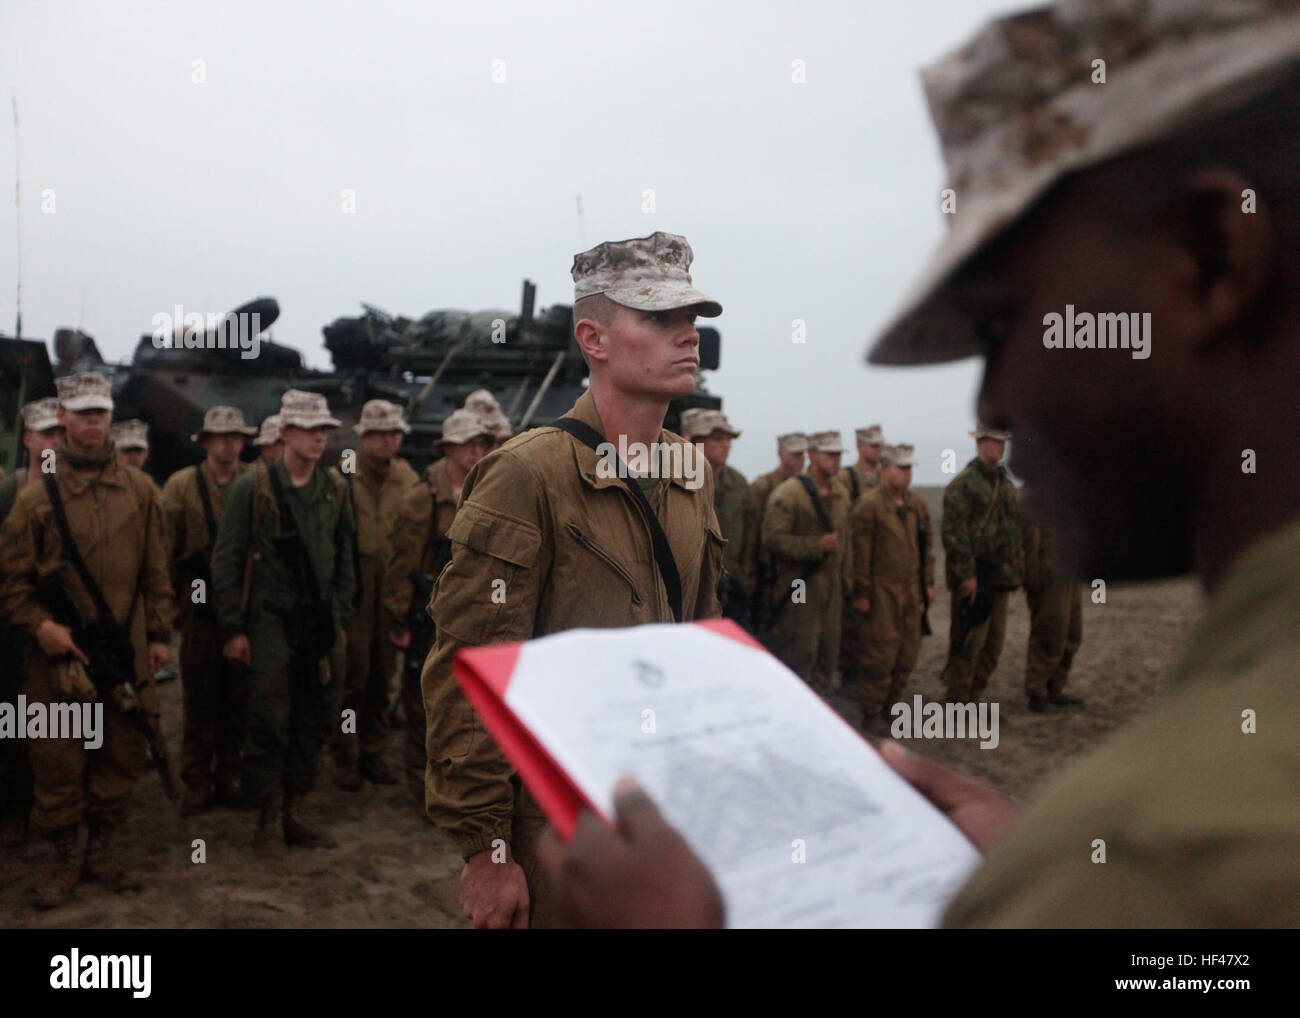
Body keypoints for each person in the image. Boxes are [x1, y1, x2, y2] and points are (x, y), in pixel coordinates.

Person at [539, 0, 1300, 928]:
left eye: (1002, 321)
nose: (990, 405)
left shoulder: (1170, 853)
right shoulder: (1164, 842)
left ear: (1213, 258)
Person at [421, 231, 724, 929]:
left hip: (662, 805)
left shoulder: (689, 469)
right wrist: (487, 851)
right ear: (595, 337)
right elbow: (470, 669)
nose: (689, 336)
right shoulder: (527, 474)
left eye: (693, 320)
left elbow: (700, 641)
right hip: (554, 823)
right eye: (660, 318)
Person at [0, 372, 173, 909]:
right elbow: (10, 584)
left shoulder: (142, 491)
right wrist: (40, 627)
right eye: (82, 414)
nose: (93, 422)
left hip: (124, 649)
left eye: (101, 412)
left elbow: (157, 573)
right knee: (58, 758)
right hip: (59, 659)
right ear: (64, 420)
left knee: (120, 753)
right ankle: (61, 859)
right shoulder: (35, 500)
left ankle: (102, 848)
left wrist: (161, 634)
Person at [210, 389, 356, 848]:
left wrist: (340, 616)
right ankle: (267, 813)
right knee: (270, 717)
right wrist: (233, 627)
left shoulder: (335, 488)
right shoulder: (252, 488)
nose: (319, 439)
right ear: (287, 433)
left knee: (316, 714)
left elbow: (345, 559)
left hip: (319, 622)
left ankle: (294, 806)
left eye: (324, 431)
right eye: (310, 430)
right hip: (270, 620)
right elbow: (226, 561)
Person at [384, 408, 493, 805]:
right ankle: (422, 786)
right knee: (423, 702)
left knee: (467, 705)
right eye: (468, 444)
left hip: (475, 611)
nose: (476, 451)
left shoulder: (489, 489)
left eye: (481, 443)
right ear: (448, 448)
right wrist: (398, 617)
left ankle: (460, 783)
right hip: (429, 614)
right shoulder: (422, 499)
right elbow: (402, 563)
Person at [161, 405, 258, 815]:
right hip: (197, 605)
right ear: (205, 442)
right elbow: (165, 550)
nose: (228, 443)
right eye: (219, 436)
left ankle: (229, 775)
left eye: (235, 436)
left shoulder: (256, 483)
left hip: (244, 604)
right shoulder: (181, 486)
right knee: (199, 699)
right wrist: (168, 606)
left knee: (239, 699)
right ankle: (197, 781)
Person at [329, 399, 418, 790]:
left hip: (393, 584)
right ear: (364, 436)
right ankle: (344, 755)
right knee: (353, 677)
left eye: (394, 433)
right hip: (355, 585)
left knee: (384, 676)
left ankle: (373, 751)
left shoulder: (408, 479)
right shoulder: (343, 474)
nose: (387, 440)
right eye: (379, 434)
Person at [0, 398, 64, 848]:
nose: (54, 442)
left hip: (56, 624)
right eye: (45, 434)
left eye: (60, 433)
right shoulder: (9, 492)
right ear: (28, 439)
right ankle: (13, 808)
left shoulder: (72, 492)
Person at [846, 444, 934, 727]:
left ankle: (890, 706)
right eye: (901, 468)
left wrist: (927, 584)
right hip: (880, 591)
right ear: (884, 470)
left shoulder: (916, 505)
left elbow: (926, 548)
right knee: (879, 653)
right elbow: (859, 554)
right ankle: (871, 712)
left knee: (908, 652)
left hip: (910, 590)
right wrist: (862, 593)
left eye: (909, 469)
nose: (906, 475)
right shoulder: (869, 506)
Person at [761, 430, 853, 694]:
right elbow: (772, 539)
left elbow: (846, 542)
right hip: (800, 585)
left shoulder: (841, 493)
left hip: (832, 587)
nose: (835, 460)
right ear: (812, 455)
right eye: (829, 454)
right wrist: (816, 546)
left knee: (829, 653)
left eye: (838, 455)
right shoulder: (789, 494)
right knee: (800, 650)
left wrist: (848, 582)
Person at [938, 426, 1023, 703]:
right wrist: (966, 575)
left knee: (993, 645)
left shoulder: (1005, 484)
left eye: (1003, 442)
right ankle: (956, 699)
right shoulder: (963, 485)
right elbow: (954, 533)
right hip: (976, 578)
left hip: (1000, 577)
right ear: (981, 443)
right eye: (996, 442)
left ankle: (973, 696)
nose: (1001, 447)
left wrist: (1015, 571)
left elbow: (1013, 531)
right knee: (969, 642)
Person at [681, 408, 755, 630]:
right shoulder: (672, 479)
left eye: (729, 439)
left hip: (729, 588)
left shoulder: (738, 483)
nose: (726, 445)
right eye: (717, 439)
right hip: (688, 589)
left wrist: (745, 574)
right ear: (692, 441)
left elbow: (750, 533)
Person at [1021, 519, 1084, 712]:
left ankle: (1055, 688)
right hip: (1051, 580)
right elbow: (1029, 545)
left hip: (1071, 576)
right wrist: (1034, 581)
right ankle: (1037, 691)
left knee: (1072, 635)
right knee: (1050, 634)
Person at [749, 432, 807, 639]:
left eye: (802, 455)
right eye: (795, 455)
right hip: (768, 575)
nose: (800, 461)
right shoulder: (762, 487)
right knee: (769, 630)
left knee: (797, 623)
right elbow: (752, 533)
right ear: (781, 454)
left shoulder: (808, 490)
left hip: (797, 575)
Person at [841, 424, 885, 503]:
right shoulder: (846, 477)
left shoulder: (886, 476)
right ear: (860, 446)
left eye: (882, 446)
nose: (879, 449)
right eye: (874, 446)